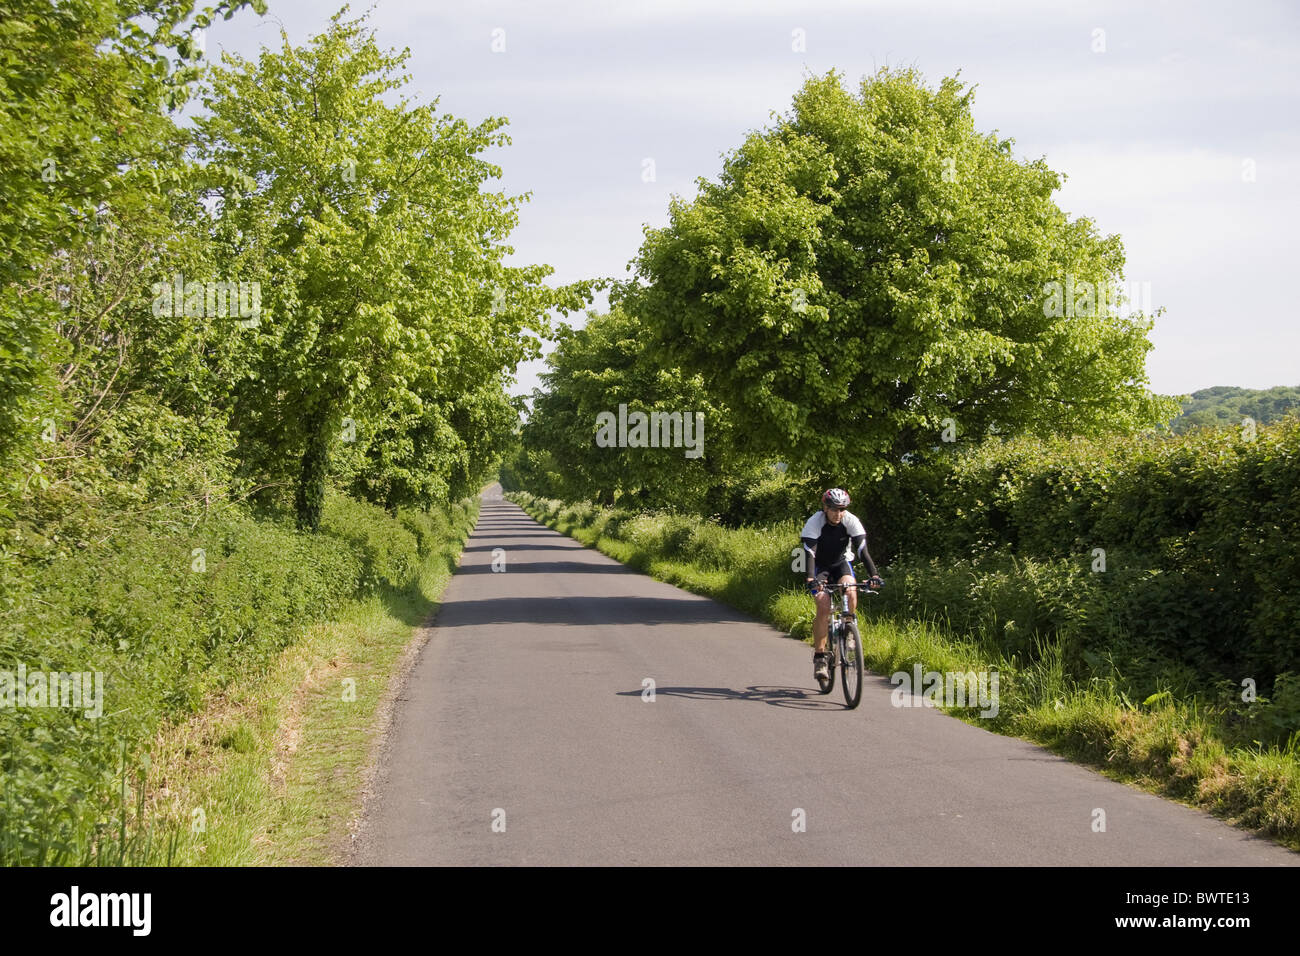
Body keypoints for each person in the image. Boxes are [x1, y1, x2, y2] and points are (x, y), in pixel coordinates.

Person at [800, 488, 883, 681]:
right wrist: (812, 579)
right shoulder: (815, 522)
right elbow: (809, 553)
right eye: (834, 509)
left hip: (841, 563)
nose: (838, 514)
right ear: (825, 508)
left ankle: (849, 628)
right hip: (820, 566)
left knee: (851, 590)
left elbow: (862, 550)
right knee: (823, 604)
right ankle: (820, 657)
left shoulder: (850, 520)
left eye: (842, 509)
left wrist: (874, 576)